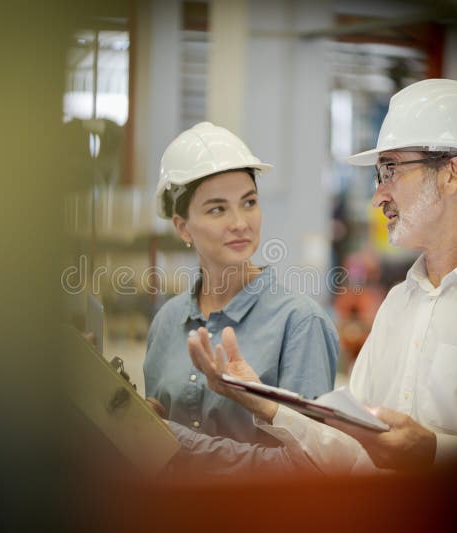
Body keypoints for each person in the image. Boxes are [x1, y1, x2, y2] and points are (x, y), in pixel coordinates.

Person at [187, 79, 457, 472]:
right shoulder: (399, 304)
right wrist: (263, 403)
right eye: (378, 175)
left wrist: (434, 452)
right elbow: (352, 446)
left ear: (451, 173)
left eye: (390, 170)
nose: (377, 196)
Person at [144, 122, 339, 453]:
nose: (240, 222)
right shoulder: (166, 321)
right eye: (218, 208)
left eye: (249, 202)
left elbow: (313, 464)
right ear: (182, 227)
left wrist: (180, 448)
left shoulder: (301, 323)